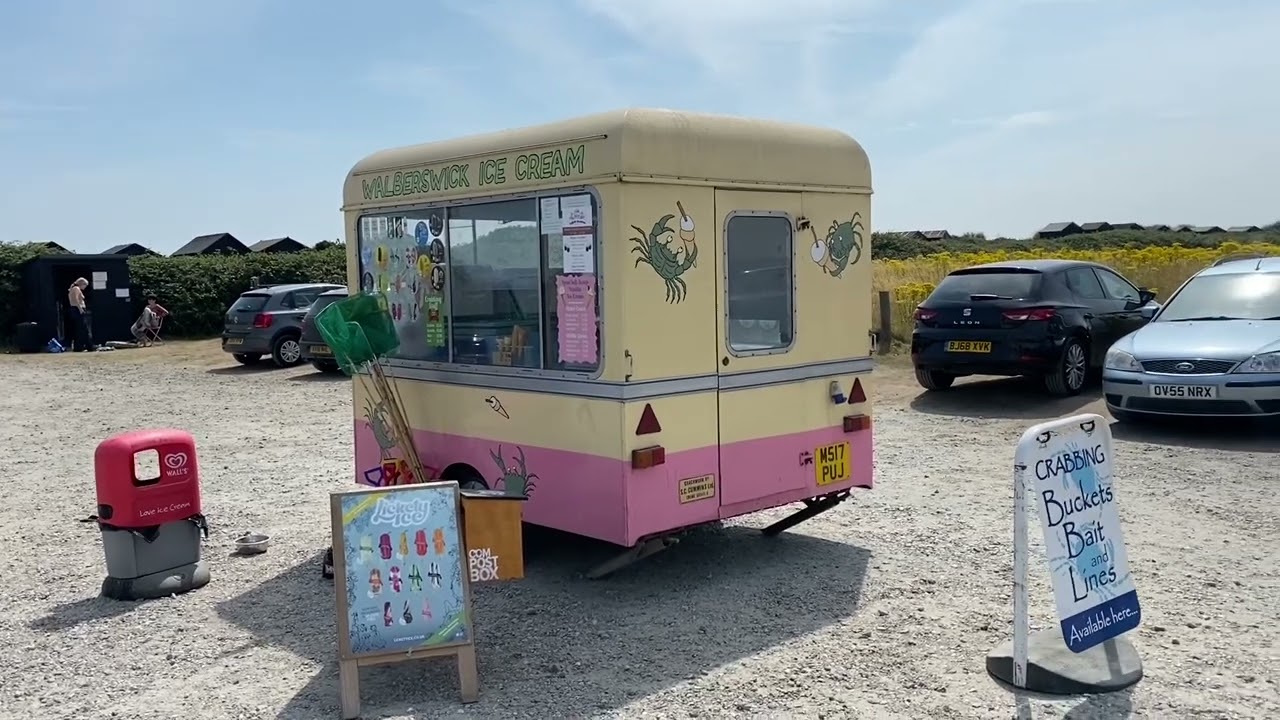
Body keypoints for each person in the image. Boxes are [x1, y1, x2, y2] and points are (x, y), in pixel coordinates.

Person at [66, 278, 94, 352]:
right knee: (83, 329)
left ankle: (79, 346)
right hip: (78, 309)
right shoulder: (76, 288)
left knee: (79, 329)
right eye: (85, 285)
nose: (85, 287)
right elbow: (76, 300)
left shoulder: (72, 289)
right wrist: (80, 309)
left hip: (74, 309)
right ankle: (88, 346)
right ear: (82, 284)